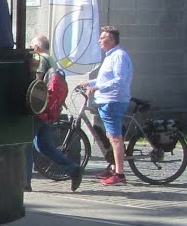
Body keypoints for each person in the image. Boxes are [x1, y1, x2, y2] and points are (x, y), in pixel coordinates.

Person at [83, 26, 134, 185]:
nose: (99, 41)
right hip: (106, 100)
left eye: (103, 38)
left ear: (112, 40)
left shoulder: (119, 56)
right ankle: (113, 167)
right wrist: (89, 82)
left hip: (113, 101)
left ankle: (119, 173)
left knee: (115, 138)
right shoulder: (110, 56)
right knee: (110, 136)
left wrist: (97, 87)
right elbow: (105, 79)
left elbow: (119, 80)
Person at [26, 51, 82, 192]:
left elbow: (37, 84)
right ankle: (73, 169)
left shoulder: (40, 59)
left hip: (38, 110)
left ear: (37, 47)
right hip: (49, 111)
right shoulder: (51, 60)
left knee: (26, 145)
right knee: (44, 146)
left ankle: (25, 182)